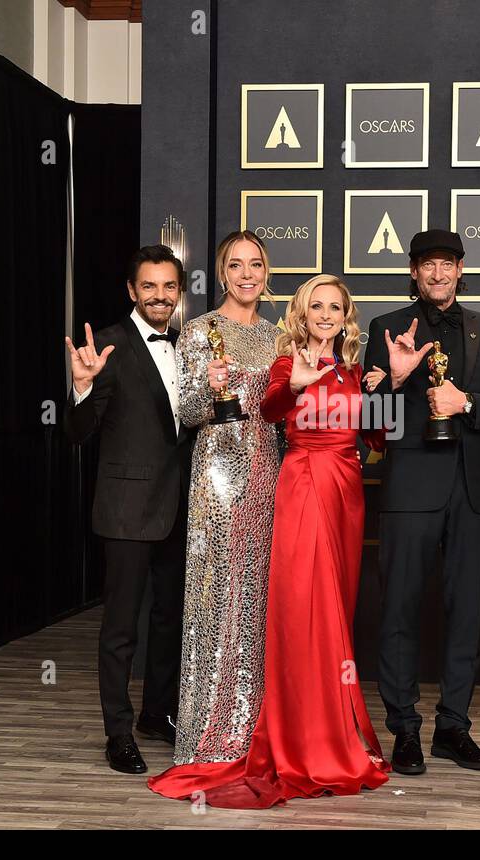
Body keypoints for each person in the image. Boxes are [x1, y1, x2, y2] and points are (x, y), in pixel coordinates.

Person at [148, 275, 390, 806]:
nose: (325, 314)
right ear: (302, 314)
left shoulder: (353, 371)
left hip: (347, 494)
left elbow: (375, 438)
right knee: (310, 609)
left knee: (338, 612)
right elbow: (271, 409)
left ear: (347, 315)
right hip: (302, 485)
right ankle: (307, 739)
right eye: (316, 306)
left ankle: (336, 729)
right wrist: (299, 383)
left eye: (335, 307)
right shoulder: (288, 362)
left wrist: (386, 388)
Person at [360, 229, 480, 775]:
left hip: (472, 491)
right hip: (410, 488)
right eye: (427, 265)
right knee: (401, 609)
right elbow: (369, 422)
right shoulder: (385, 327)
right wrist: (396, 381)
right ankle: (404, 729)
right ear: (413, 272)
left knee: (466, 613)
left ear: (461, 269)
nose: (437, 274)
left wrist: (467, 401)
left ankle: (454, 726)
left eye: (447, 264)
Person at [65, 245, 193, 774]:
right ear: (131, 291)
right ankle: (117, 733)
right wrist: (81, 385)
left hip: (183, 506)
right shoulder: (109, 347)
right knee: (121, 628)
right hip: (126, 509)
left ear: (179, 292)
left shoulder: (191, 345)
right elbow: (77, 433)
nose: (159, 296)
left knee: (170, 620)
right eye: (149, 286)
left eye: (168, 287)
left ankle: (155, 713)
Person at [157, 230, 281, 768]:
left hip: (268, 475)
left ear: (266, 271)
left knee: (257, 600)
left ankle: (252, 729)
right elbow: (184, 413)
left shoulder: (280, 339)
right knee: (213, 599)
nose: (247, 274)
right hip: (215, 476)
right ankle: (207, 734)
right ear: (221, 272)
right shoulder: (200, 331)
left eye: (256, 264)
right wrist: (207, 385)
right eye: (236, 265)